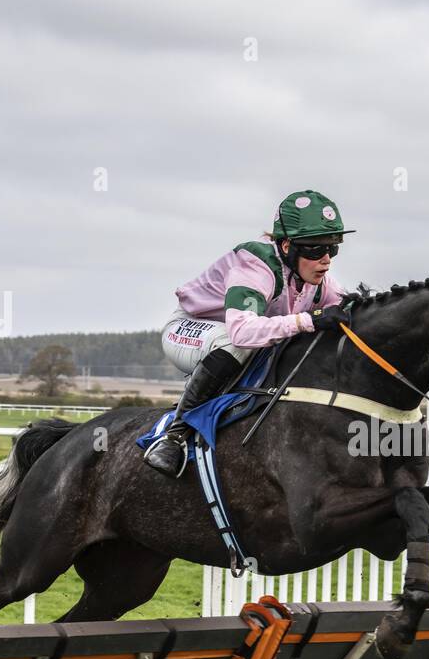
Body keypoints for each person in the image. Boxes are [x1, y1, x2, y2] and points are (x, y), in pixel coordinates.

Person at [145, 189, 354, 476]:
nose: (326, 259)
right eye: (316, 250)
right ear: (286, 246)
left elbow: (348, 310)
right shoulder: (255, 264)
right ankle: (175, 435)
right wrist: (309, 319)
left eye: (333, 248)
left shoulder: (319, 280)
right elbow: (243, 332)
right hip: (189, 328)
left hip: (235, 336)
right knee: (237, 344)